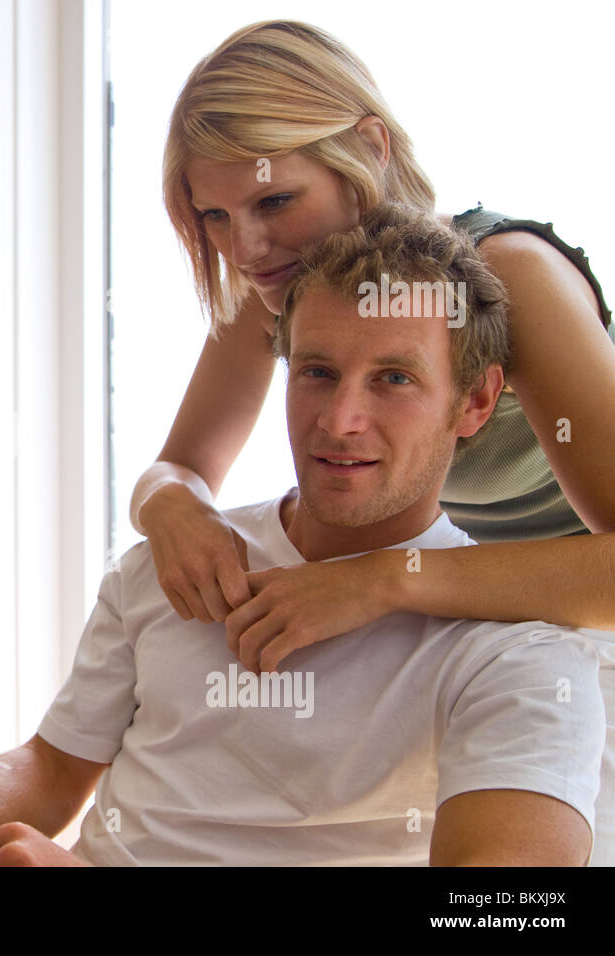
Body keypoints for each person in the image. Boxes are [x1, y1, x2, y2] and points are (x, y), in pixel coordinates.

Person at [0, 204, 606, 866]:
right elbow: (51, 765)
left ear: (474, 404)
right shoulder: (179, 563)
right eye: (316, 372)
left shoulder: (520, 654)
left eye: (394, 379)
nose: (340, 420)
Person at [128, 20, 615, 673]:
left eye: (274, 199)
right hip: (497, 629)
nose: (243, 249)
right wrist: (170, 504)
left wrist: (384, 581)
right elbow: (179, 465)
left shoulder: (512, 274)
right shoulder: (278, 285)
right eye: (214, 214)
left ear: (369, 146)